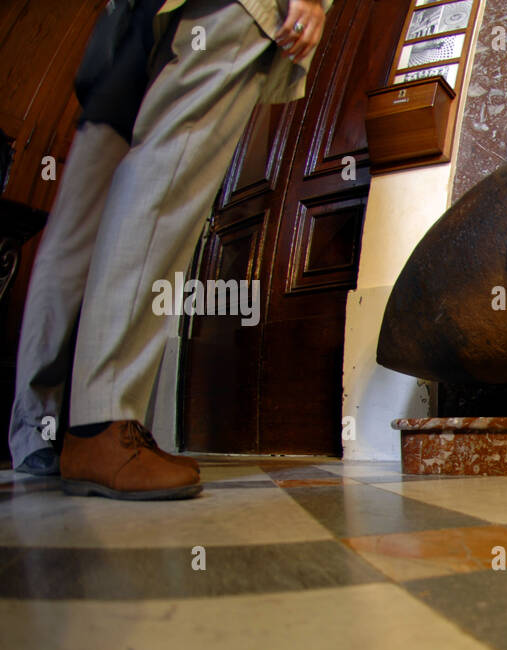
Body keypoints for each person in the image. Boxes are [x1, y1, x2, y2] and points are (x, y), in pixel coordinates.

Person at [8, 0, 329, 500]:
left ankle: (39, 431)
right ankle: (101, 422)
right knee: (170, 173)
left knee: (78, 221)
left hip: (136, 19)